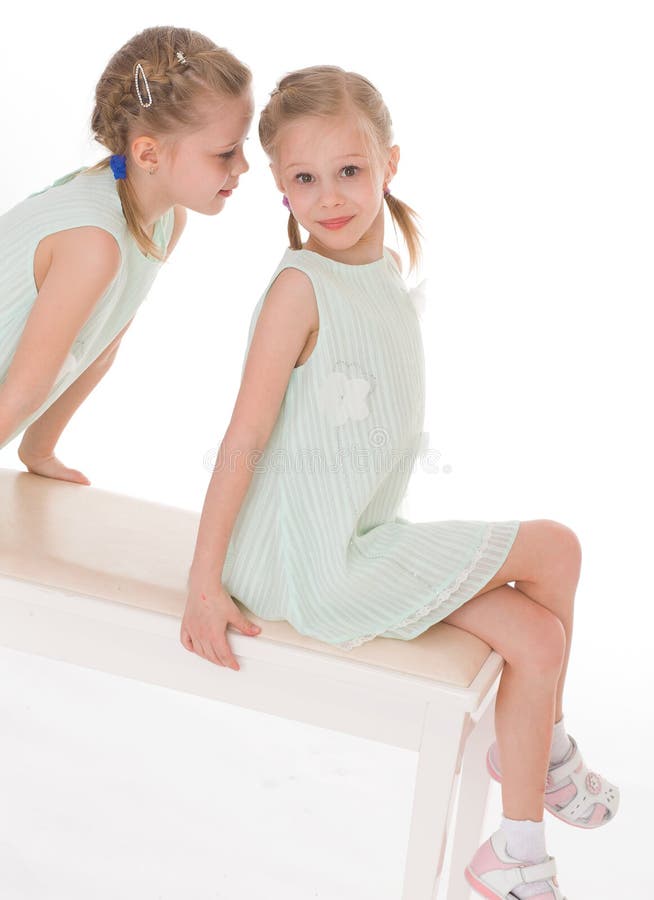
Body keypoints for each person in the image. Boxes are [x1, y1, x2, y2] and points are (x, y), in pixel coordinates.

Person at [181, 65, 619, 899]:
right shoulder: (300, 290)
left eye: (349, 169)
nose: (329, 197)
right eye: (304, 179)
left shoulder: (379, 271)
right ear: (280, 187)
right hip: (307, 564)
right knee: (556, 548)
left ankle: (517, 849)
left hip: (360, 541)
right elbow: (243, 439)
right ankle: (549, 758)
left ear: (389, 162)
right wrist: (205, 583)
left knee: (538, 641)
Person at [0, 26, 252, 484]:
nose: (243, 167)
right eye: (225, 153)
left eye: (242, 147)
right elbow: (22, 391)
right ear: (148, 154)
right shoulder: (93, 244)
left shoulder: (166, 221)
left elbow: (100, 346)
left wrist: (40, 449)